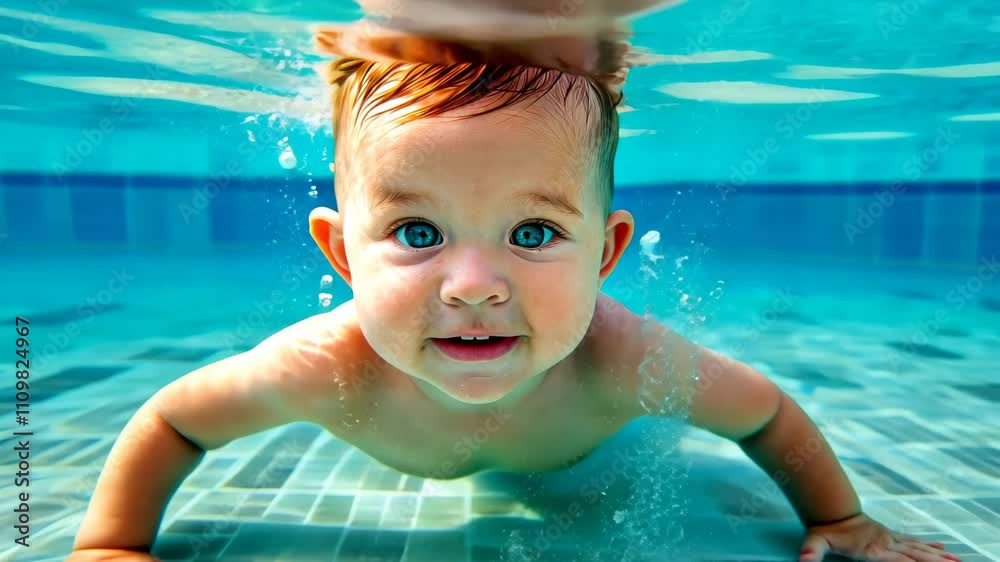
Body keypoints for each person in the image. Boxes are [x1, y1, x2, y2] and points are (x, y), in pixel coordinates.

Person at [70, 10, 961, 562]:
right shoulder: (323, 367)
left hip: (593, 458)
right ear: (341, 255)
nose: (473, 287)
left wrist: (845, 520)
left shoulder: (624, 362)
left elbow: (765, 417)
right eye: (418, 234)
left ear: (605, 253)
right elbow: (173, 424)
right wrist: (111, 545)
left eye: (533, 233)